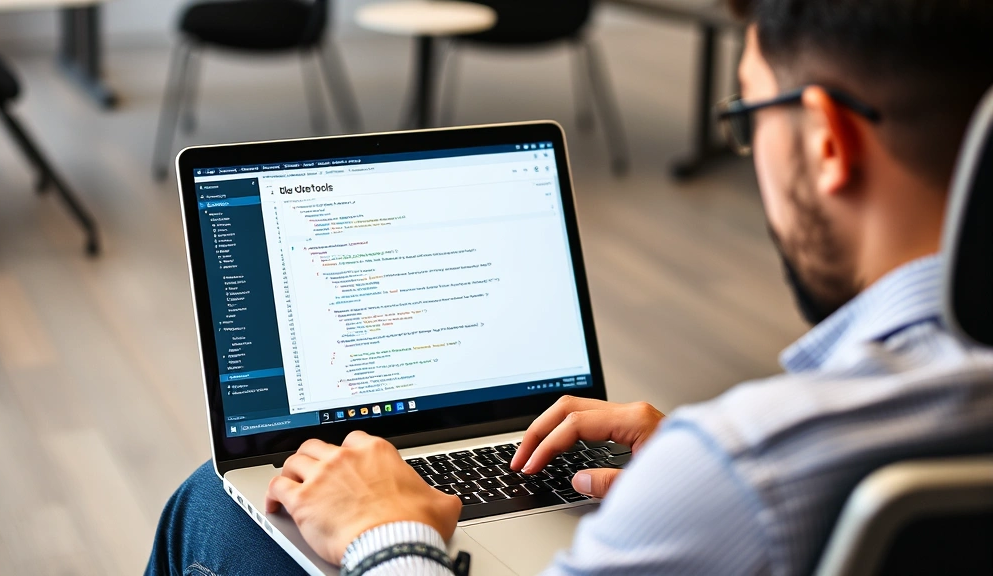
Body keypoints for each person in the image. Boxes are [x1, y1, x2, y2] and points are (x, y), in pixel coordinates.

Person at [147, 0, 993, 574]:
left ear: (827, 142)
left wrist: (389, 535)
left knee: (212, 507)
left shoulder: (748, 466)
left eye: (747, 119)